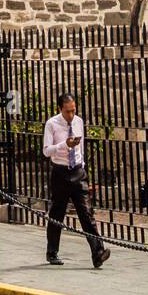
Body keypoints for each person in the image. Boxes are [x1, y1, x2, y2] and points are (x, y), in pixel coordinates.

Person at [42, 92, 110, 270]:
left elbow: (82, 145)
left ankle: (98, 253)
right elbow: (46, 151)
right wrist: (65, 144)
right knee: (57, 213)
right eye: (67, 112)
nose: (71, 115)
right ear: (60, 109)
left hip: (78, 172)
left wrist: (82, 165)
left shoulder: (79, 122)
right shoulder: (52, 124)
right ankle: (52, 252)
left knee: (87, 213)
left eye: (73, 111)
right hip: (60, 172)